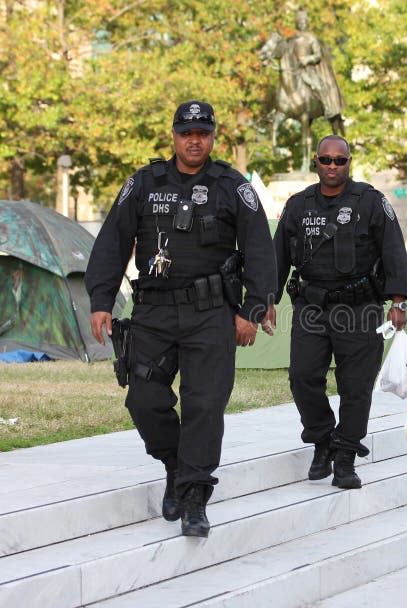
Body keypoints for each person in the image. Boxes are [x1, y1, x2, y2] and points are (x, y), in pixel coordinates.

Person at [85, 100, 277, 538]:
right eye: (187, 132)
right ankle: (175, 464)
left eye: (203, 133)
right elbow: (113, 240)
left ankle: (193, 496)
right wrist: (100, 299)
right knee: (143, 400)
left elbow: (259, 249)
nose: (195, 140)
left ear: (213, 136)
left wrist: (251, 309)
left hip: (211, 314)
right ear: (173, 135)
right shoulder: (144, 183)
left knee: (204, 406)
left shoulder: (232, 185)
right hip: (152, 311)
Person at [273, 135, 407, 490]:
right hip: (311, 307)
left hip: (359, 307)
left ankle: (345, 456)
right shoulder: (298, 205)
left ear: (350, 162)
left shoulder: (371, 202)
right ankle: (322, 441)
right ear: (315, 162)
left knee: (356, 386)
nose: (333, 166)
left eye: (340, 160)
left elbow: (394, 250)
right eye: (326, 160)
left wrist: (398, 302)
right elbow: (278, 257)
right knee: (303, 377)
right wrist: (266, 301)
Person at [287, 8, 345, 120]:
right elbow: (289, 54)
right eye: (299, 22)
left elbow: (318, 55)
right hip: (295, 69)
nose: (302, 25)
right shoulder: (293, 39)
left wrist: (307, 59)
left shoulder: (312, 39)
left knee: (317, 86)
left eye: (303, 22)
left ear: (306, 23)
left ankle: (327, 107)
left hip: (308, 70)